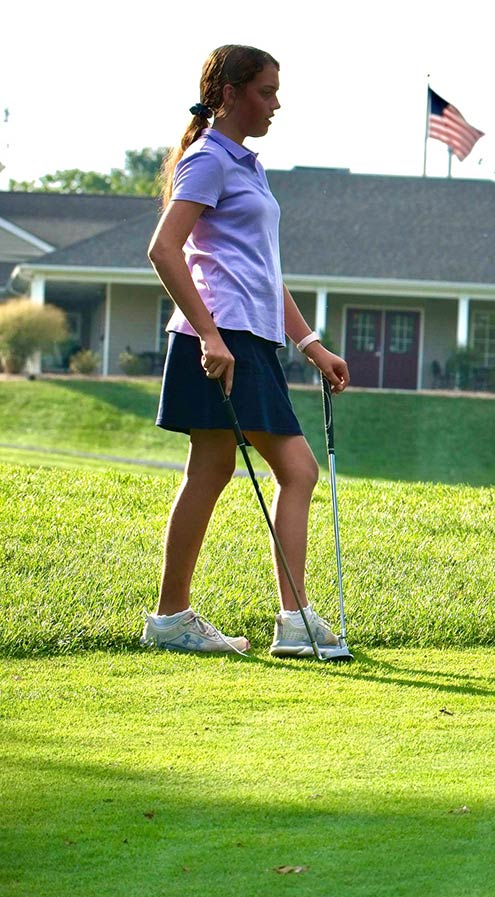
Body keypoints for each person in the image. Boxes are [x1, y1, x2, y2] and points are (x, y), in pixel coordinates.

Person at [140, 45, 352, 658]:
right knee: (299, 470)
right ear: (229, 93)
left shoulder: (246, 165)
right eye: (265, 92)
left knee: (209, 472)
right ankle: (294, 622)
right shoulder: (208, 159)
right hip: (223, 339)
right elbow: (164, 249)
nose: (276, 104)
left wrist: (311, 344)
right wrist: (209, 335)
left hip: (246, 338)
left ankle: (171, 619)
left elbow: (264, 270)